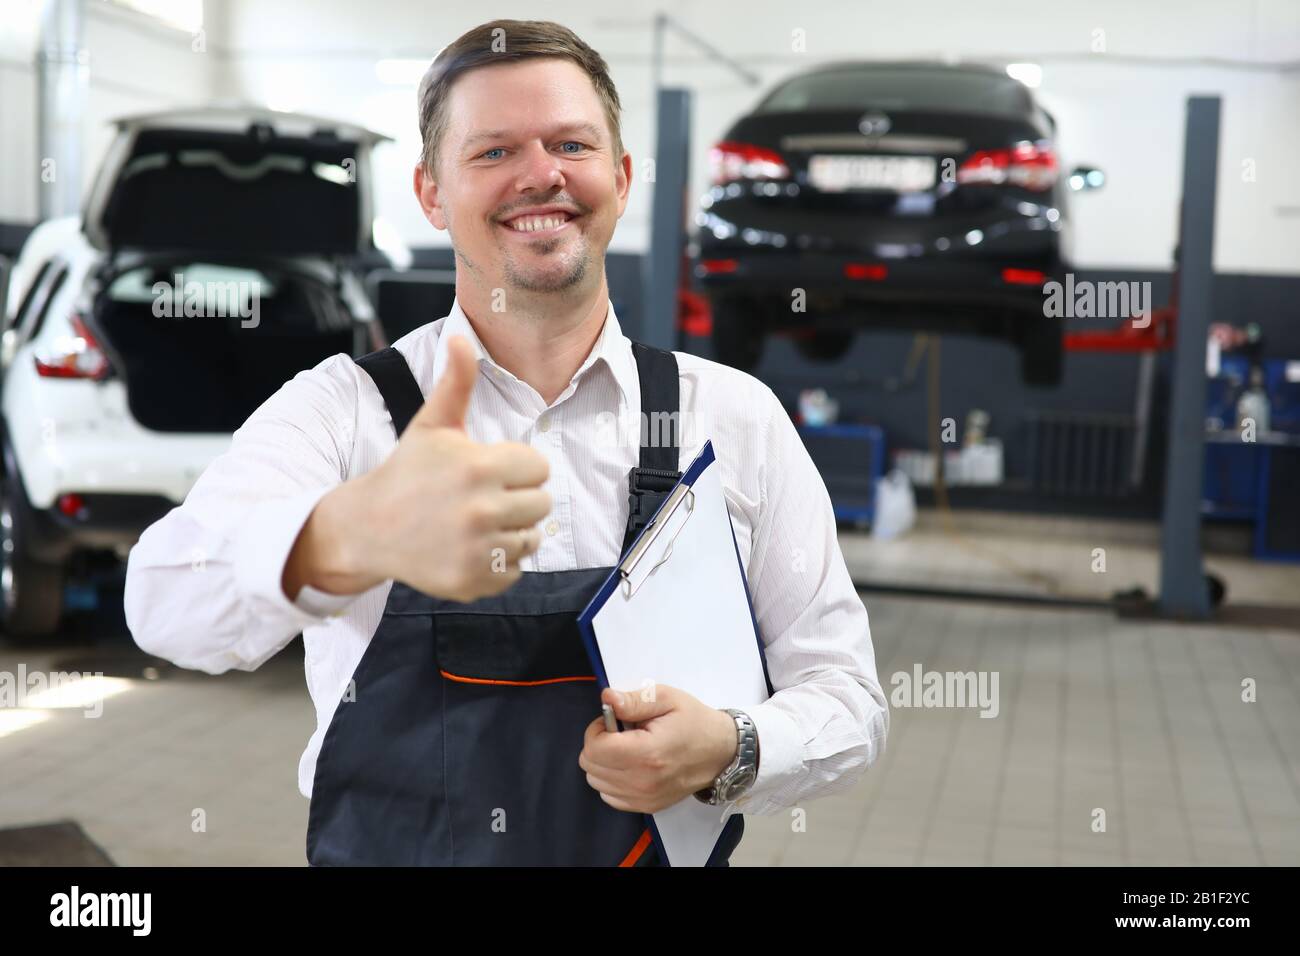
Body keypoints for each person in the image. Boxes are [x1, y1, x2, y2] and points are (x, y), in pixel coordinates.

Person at [124, 18, 889, 867]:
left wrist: (730, 747)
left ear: (623, 177)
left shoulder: (734, 417)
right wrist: (346, 537)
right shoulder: (342, 412)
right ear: (430, 194)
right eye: (492, 153)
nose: (542, 175)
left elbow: (847, 696)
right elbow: (163, 603)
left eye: (571, 142)